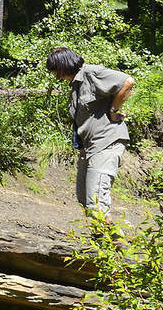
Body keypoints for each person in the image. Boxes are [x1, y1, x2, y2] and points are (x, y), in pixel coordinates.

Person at [45, 46, 135, 216]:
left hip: (106, 143)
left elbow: (128, 81)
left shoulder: (91, 73)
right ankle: (103, 232)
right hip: (89, 148)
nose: (55, 75)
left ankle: (108, 234)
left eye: (55, 70)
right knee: (84, 199)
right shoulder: (75, 85)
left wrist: (113, 110)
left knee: (96, 203)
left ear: (63, 65)